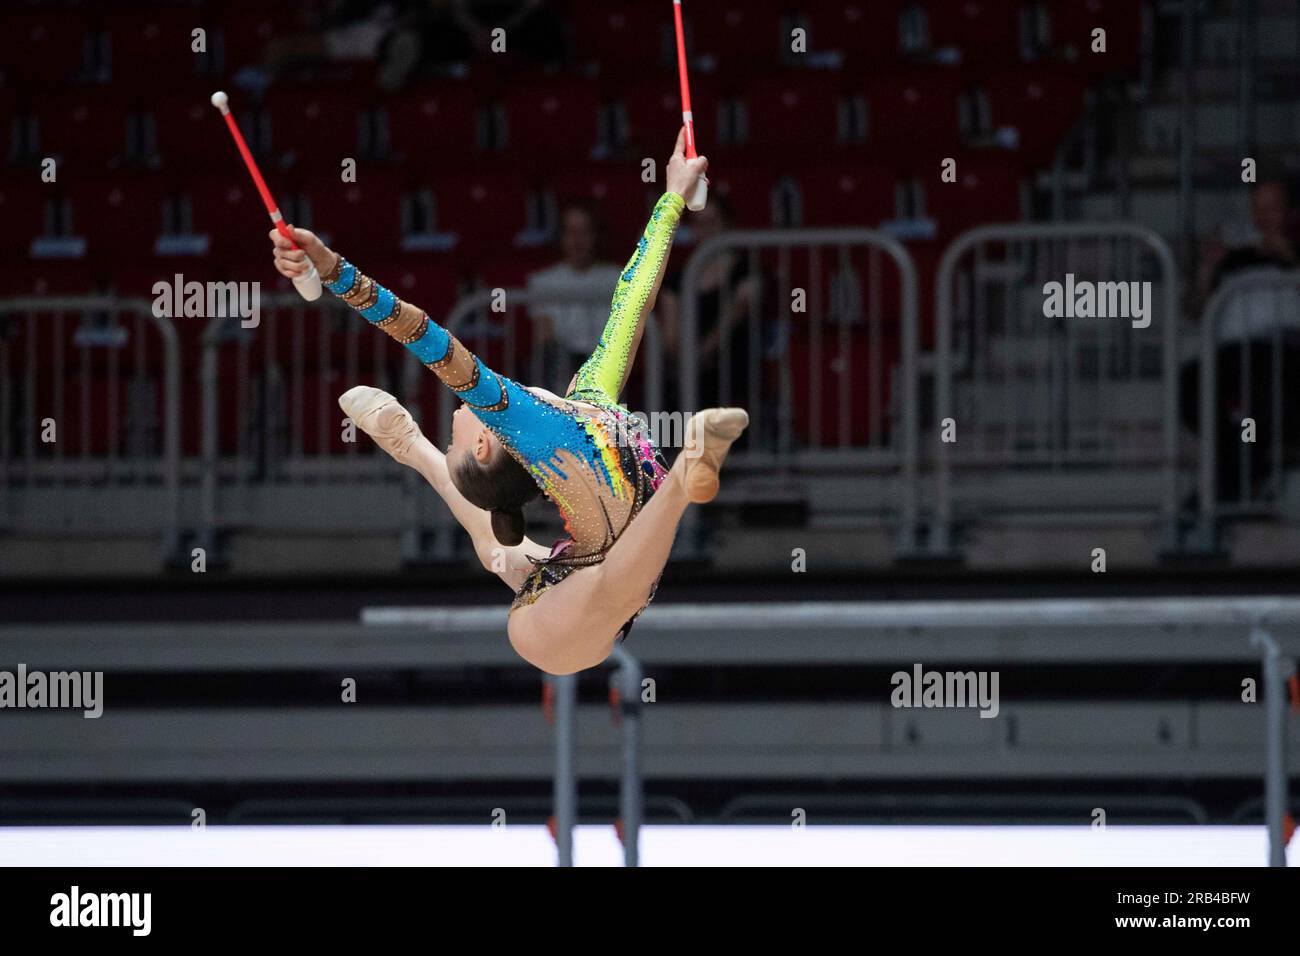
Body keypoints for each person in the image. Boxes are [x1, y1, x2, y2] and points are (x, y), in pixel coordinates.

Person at [269, 130, 747, 675]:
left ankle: (412, 447)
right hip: (567, 620)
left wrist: (672, 199)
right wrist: (333, 270)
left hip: (572, 591)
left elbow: (631, 301)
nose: (455, 410)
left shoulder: (586, 401)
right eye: (452, 434)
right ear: (484, 441)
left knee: (509, 557)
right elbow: (421, 333)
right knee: (594, 581)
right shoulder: (522, 420)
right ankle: (686, 476)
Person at [1184, 178, 1300, 505]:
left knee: (1261, 402)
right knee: (1192, 387)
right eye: (1257, 208)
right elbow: (1193, 310)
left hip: (1283, 352)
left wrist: (1289, 258)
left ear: (1289, 213)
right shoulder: (1234, 256)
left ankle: (1223, 491)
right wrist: (1208, 269)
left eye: (1272, 208)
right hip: (1231, 354)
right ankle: (1241, 482)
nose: (1263, 217)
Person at [656, 194, 765, 410]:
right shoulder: (675, 280)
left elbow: (736, 314)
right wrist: (685, 361)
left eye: (713, 221)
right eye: (699, 223)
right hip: (685, 377)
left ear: (728, 225)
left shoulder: (748, 271)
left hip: (734, 376)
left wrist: (701, 354)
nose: (706, 230)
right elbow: (670, 337)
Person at [526, 200, 623, 393]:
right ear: (561, 236)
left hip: (608, 368)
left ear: (596, 235)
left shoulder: (618, 277)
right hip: (562, 371)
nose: (577, 240)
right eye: (570, 232)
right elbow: (544, 338)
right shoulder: (542, 281)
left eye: (584, 232)